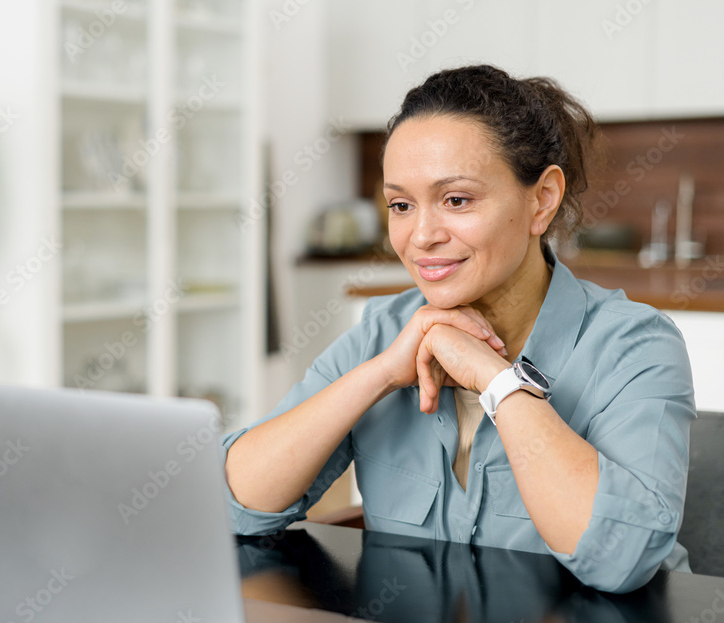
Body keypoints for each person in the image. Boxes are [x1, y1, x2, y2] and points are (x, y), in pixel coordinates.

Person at [222, 64, 696, 594]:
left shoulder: (636, 347)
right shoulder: (384, 333)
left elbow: (622, 560)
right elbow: (232, 507)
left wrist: (497, 381)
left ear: (542, 199)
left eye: (457, 200)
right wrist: (380, 374)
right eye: (401, 205)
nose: (421, 236)